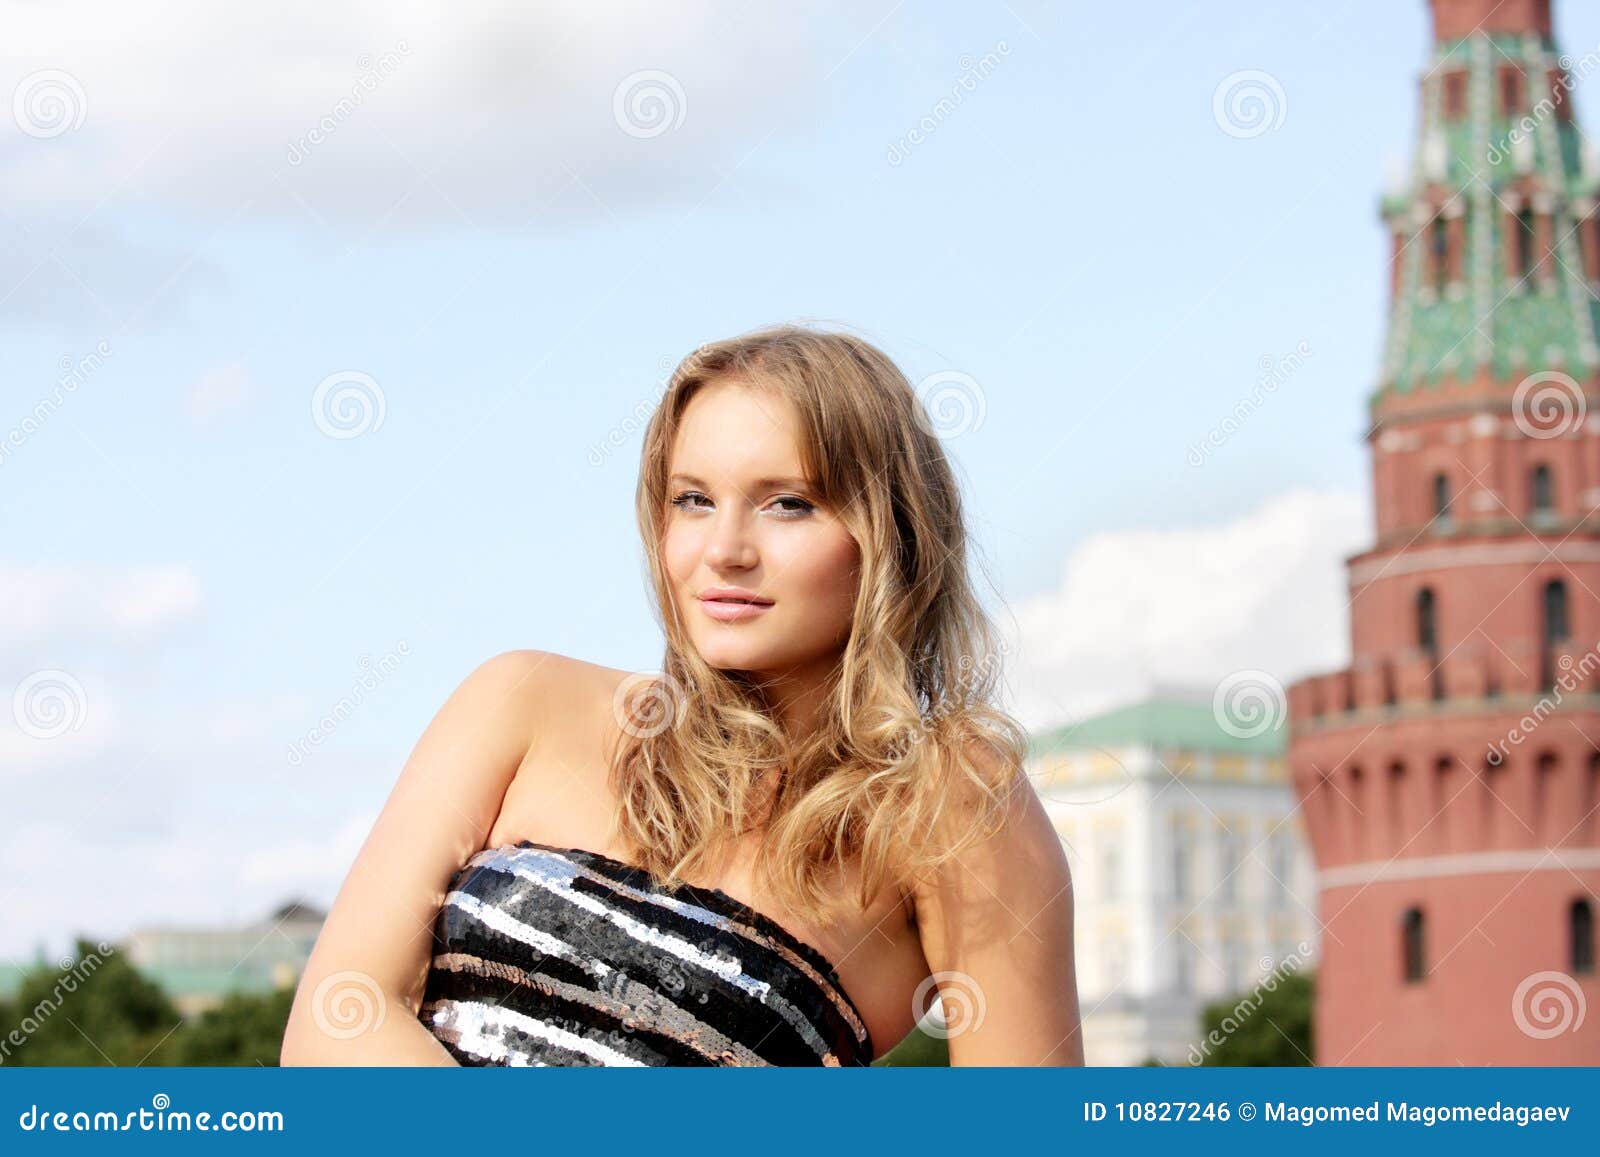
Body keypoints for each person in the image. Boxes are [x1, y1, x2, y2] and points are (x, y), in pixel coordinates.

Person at [279, 323, 1082, 1067]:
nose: (724, 550)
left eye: (788, 503)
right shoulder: (522, 701)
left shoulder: (946, 801)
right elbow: (335, 1019)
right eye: (692, 498)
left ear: (889, 532)